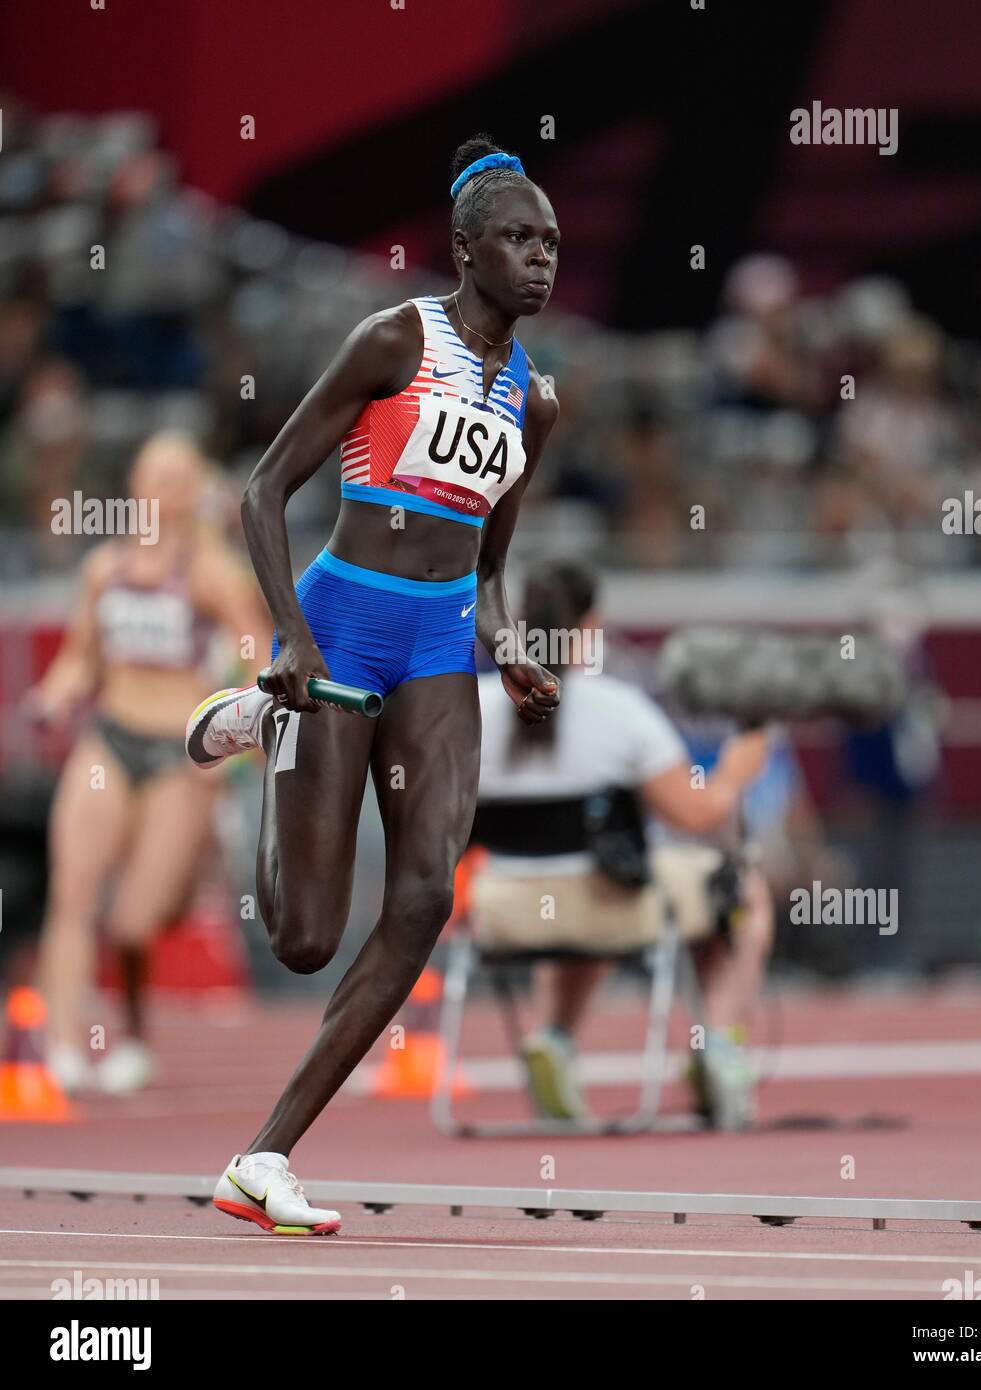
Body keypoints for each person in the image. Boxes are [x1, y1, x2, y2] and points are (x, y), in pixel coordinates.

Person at [185, 135, 562, 1235]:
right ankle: (259, 721)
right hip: (340, 627)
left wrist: (509, 638)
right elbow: (262, 492)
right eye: (519, 239)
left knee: (424, 895)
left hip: (441, 646)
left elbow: (489, 559)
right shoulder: (395, 339)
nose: (541, 259)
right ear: (464, 249)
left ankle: (264, 1157)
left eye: (551, 242)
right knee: (304, 935)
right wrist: (290, 639)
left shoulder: (536, 404)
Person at [474, 560, 771, 1129]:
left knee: (590, 887)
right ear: (592, 624)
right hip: (606, 903)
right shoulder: (620, 712)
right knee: (740, 892)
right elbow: (697, 811)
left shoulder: (472, 708)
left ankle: (555, 1040)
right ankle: (720, 1045)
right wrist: (738, 770)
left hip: (501, 907)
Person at [26, 429, 268, 1093]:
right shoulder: (104, 568)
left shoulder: (209, 571)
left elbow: (259, 651)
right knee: (72, 893)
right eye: (154, 475)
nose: (164, 489)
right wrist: (53, 695)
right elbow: (82, 654)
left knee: (135, 920)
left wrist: (237, 735)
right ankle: (63, 1047)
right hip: (110, 738)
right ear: (134, 484)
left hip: (176, 753)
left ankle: (131, 1035)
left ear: (193, 490)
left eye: (177, 478)